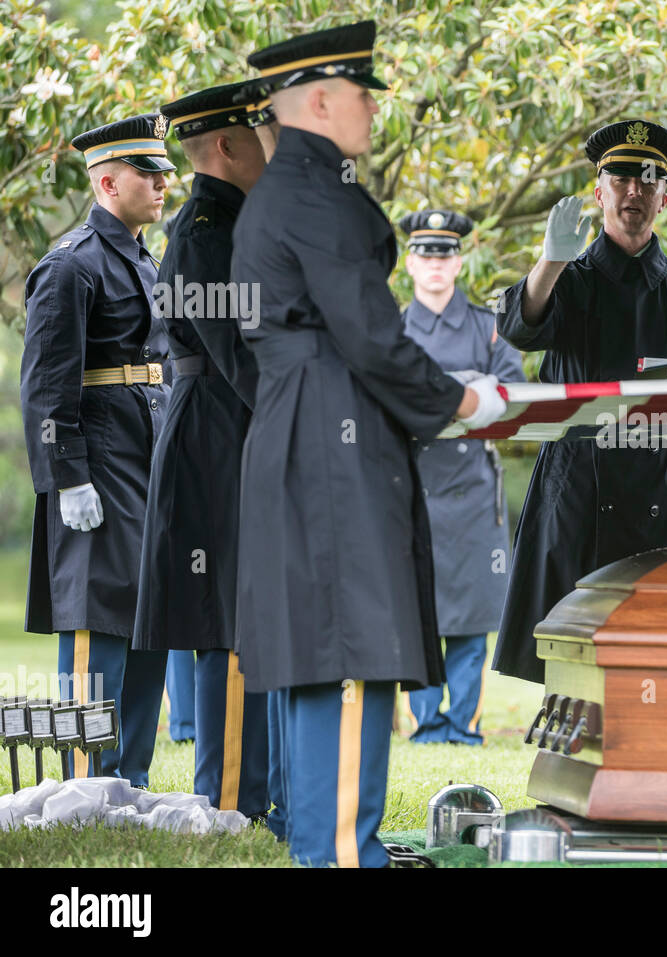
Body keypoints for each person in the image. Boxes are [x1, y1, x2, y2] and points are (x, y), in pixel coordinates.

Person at [231, 20, 505, 868]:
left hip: (302, 430)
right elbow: (373, 337)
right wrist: (462, 397)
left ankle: (327, 848)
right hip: (331, 447)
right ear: (318, 101)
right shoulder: (314, 194)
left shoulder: (288, 189)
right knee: (351, 657)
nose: (371, 111)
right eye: (360, 94)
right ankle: (345, 856)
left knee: (325, 661)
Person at [493, 119, 667, 684]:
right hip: (579, 491)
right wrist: (550, 260)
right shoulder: (567, 280)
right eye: (620, 178)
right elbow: (518, 327)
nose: (634, 190)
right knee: (571, 659)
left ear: (664, 196)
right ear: (598, 191)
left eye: (648, 179)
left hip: (663, 491)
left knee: (663, 656)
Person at [20, 113, 175, 786]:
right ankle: (87, 780)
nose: (164, 183)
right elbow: (47, 388)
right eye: (150, 173)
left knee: (148, 618)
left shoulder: (145, 257)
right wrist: (67, 477)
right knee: (96, 619)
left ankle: (130, 778)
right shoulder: (70, 264)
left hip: (149, 455)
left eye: (166, 171)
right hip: (98, 460)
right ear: (108, 181)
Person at [133, 79, 270, 818]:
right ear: (224, 145)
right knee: (228, 616)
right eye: (256, 133)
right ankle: (228, 796)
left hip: (234, 423)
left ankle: (258, 790)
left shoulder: (238, 222)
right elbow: (238, 355)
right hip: (215, 430)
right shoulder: (205, 232)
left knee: (250, 611)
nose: (268, 147)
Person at [397, 209, 524, 744]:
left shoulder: (487, 324)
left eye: (444, 254)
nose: (435, 264)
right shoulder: (392, 327)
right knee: (417, 607)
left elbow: (514, 391)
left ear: (459, 261)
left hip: (472, 487)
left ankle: (464, 725)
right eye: (425, 253)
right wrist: (465, 387)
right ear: (409, 262)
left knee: (473, 613)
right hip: (410, 484)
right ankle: (427, 725)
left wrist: (444, 390)